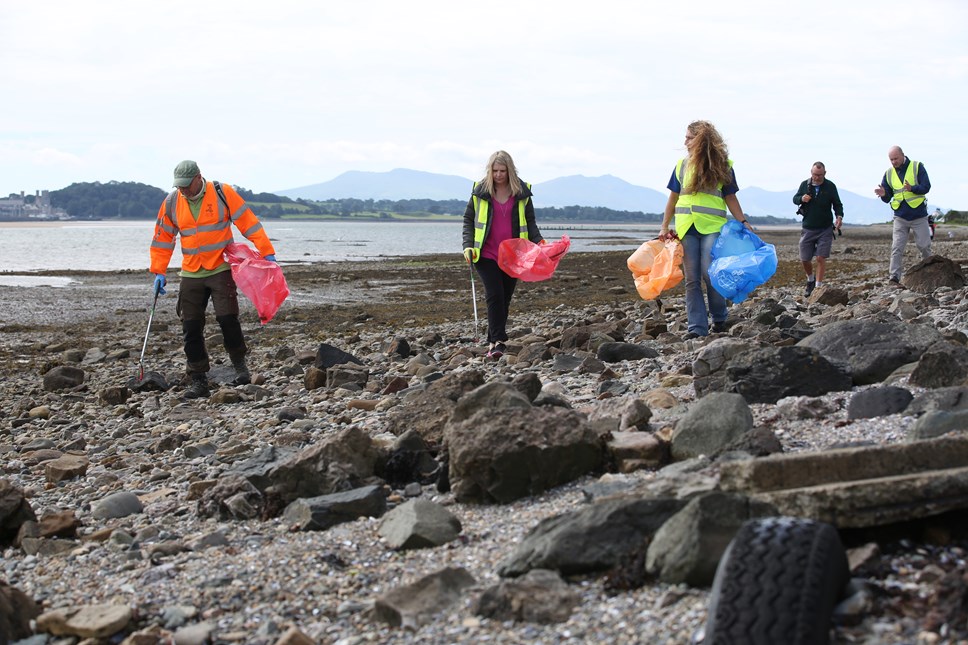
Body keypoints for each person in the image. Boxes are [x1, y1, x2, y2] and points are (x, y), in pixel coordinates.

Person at [149, 160, 277, 399]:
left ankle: (240, 367)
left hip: (220, 268)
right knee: (190, 326)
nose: (183, 190)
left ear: (199, 177)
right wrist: (159, 271)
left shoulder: (222, 193)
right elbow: (163, 238)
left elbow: (248, 222)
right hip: (191, 272)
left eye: (186, 185)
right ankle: (198, 379)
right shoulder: (172, 202)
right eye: (179, 186)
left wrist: (266, 251)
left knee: (228, 319)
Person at [660, 120, 754, 339]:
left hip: (712, 226)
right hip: (687, 227)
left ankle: (719, 318)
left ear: (701, 140)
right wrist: (664, 226)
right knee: (692, 279)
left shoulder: (723, 165)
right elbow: (673, 198)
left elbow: (730, 197)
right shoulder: (681, 166)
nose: (685, 142)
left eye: (689, 138)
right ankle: (696, 328)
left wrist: (742, 221)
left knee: (709, 273)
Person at [461, 150, 543, 359]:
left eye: (502, 171)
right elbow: (468, 220)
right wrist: (467, 246)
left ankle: (493, 340)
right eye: (495, 170)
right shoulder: (480, 191)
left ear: (510, 171)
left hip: (513, 256)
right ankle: (498, 342)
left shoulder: (522, 193)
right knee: (495, 295)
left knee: (504, 298)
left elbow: (530, 222)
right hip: (485, 254)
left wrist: (539, 242)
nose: (498, 175)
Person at [874, 146, 931, 284]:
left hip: (919, 215)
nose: (894, 162)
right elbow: (887, 197)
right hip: (900, 216)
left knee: (924, 246)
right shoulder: (888, 174)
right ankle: (894, 277)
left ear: (903, 155)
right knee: (897, 247)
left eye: (896, 158)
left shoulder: (917, 167)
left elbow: (926, 187)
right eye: (891, 159)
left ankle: (930, 271)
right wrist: (884, 194)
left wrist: (912, 188)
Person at [793, 161, 844, 296]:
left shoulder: (830, 186)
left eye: (820, 175)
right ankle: (810, 279)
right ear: (811, 172)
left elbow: (837, 204)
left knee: (821, 258)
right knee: (805, 259)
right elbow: (795, 199)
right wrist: (801, 198)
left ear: (824, 173)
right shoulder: (804, 184)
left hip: (825, 228)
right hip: (808, 227)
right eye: (814, 174)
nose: (816, 177)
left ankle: (818, 287)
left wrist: (839, 217)